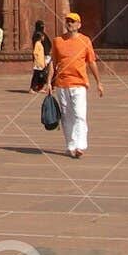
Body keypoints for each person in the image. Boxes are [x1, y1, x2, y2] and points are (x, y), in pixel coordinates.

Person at [44, 13, 101, 158]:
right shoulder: (58, 41)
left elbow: (91, 62)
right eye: (68, 21)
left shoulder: (85, 41)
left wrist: (99, 82)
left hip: (79, 83)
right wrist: (49, 82)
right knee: (66, 116)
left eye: (73, 21)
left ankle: (80, 145)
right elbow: (53, 63)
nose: (70, 24)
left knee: (79, 114)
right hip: (62, 83)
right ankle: (70, 145)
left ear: (79, 25)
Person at [29, 20, 51, 93]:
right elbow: (35, 52)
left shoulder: (38, 35)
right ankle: (33, 87)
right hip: (40, 59)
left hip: (42, 57)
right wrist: (39, 59)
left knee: (42, 73)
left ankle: (39, 87)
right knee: (38, 74)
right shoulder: (37, 37)